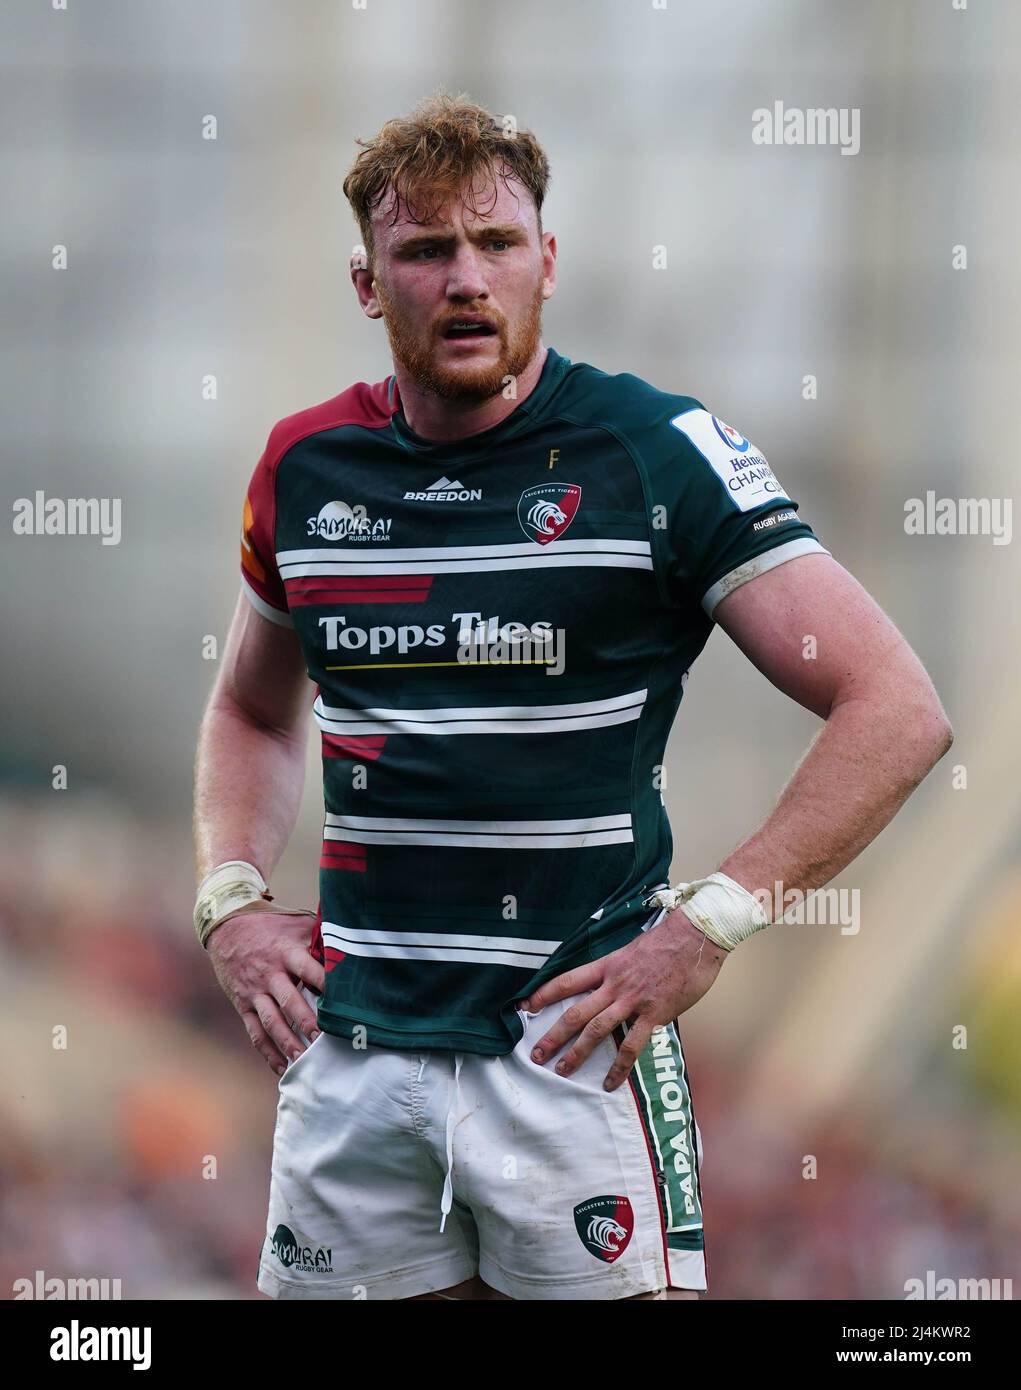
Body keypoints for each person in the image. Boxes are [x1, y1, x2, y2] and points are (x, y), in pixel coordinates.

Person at [193, 91, 953, 1301]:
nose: (464, 279)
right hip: (353, 1057)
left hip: (570, 1057)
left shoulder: (655, 453)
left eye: (495, 243)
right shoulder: (304, 466)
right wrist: (231, 898)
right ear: (366, 280)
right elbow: (249, 707)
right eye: (425, 249)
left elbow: (895, 707)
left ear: (547, 261)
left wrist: (707, 925)